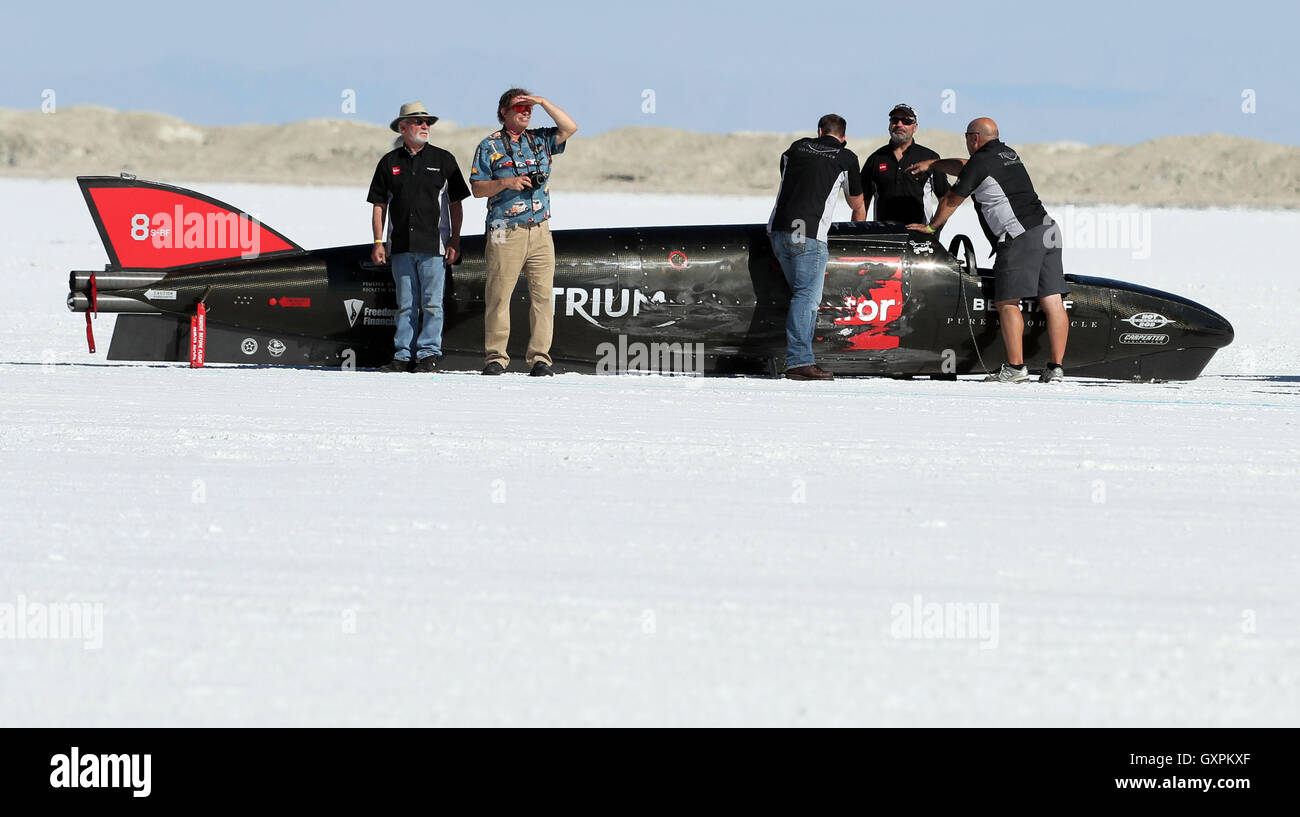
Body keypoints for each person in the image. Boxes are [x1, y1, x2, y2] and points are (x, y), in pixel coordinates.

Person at [906, 117, 1067, 383]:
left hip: (1020, 235)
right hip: (1048, 230)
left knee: (1007, 302)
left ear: (974, 138)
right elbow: (965, 166)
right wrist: (934, 164)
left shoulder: (982, 161)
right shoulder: (1006, 153)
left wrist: (932, 228)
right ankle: (1056, 368)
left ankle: (1015, 369)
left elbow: (952, 198)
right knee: (1052, 301)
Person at [470, 89, 578, 376]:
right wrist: (506, 183)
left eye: (528, 107)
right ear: (503, 112)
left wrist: (542, 102)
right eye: (519, 107)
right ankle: (495, 358)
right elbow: (477, 189)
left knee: (543, 297)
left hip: (540, 229)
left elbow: (570, 127)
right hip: (505, 230)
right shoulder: (490, 145)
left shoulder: (540, 139)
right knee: (499, 296)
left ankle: (540, 359)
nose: (525, 111)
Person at [367, 101, 470, 373]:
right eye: (418, 122)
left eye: (428, 123)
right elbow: (379, 206)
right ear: (403, 127)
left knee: (432, 303)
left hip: (434, 246)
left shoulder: (443, 160)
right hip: (400, 246)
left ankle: (428, 354)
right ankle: (402, 355)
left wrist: (455, 239)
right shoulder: (389, 162)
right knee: (405, 304)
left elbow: (456, 203)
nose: (425, 126)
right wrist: (379, 242)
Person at [767, 114, 867, 381]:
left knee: (798, 296)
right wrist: (857, 235)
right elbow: (857, 204)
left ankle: (794, 355)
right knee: (806, 298)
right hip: (807, 233)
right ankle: (799, 361)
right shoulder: (846, 157)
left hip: (777, 230)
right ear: (843, 137)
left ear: (820, 131)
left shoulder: (796, 148)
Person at [860, 103, 950, 234]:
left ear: (915, 127)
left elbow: (946, 198)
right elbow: (862, 202)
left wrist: (933, 228)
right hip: (883, 237)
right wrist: (860, 234)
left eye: (906, 121)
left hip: (920, 238)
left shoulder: (930, 158)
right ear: (890, 125)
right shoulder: (875, 159)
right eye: (895, 120)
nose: (899, 124)